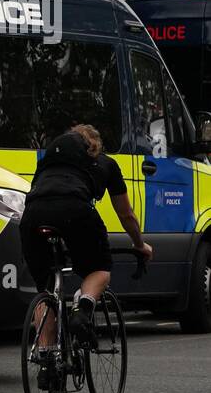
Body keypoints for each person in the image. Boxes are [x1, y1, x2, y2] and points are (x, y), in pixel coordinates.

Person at [20, 124, 152, 376]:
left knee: (45, 289)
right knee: (99, 269)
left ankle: (47, 362)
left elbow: (42, 194)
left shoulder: (49, 161)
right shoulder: (106, 164)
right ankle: (83, 311)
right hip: (76, 212)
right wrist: (139, 244)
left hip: (33, 217)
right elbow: (126, 215)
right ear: (96, 145)